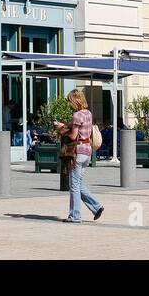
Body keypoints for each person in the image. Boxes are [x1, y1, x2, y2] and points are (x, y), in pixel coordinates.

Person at [56, 88, 103, 224]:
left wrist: (61, 129)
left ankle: (75, 216)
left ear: (75, 101)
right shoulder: (88, 113)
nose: (69, 104)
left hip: (78, 152)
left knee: (74, 186)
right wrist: (66, 125)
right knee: (78, 183)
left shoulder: (77, 115)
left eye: (70, 101)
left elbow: (73, 136)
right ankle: (96, 207)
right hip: (87, 151)